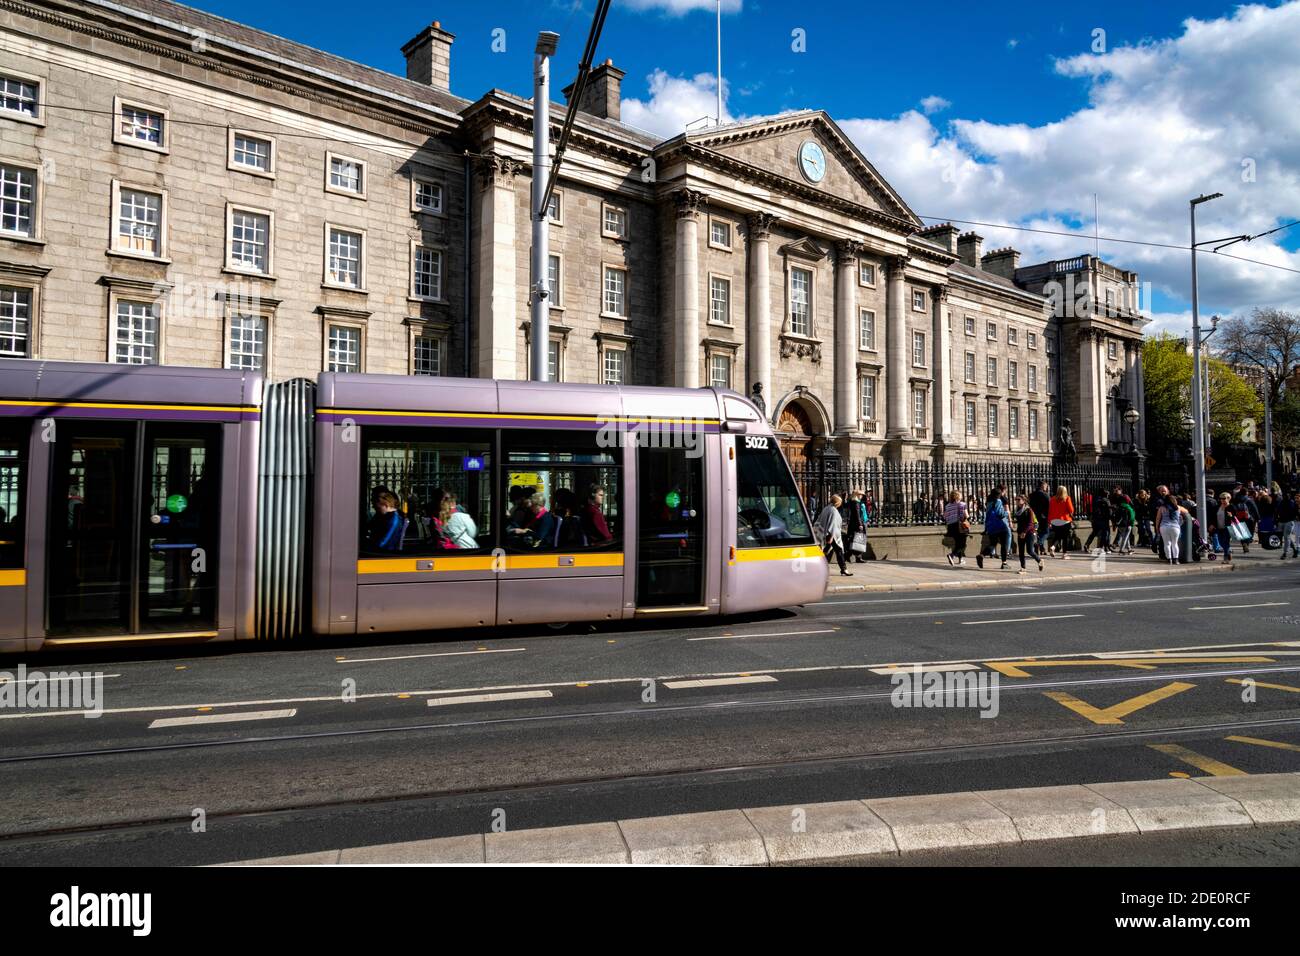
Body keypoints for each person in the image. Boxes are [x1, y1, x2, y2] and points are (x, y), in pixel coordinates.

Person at [817, 494, 851, 576]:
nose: (841, 503)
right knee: (838, 551)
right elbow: (833, 525)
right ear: (837, 502)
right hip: (832, 535)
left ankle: (821, 568)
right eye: (840, 502)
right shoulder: (833, 511)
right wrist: (831, 537)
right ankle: (843, 569)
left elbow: (820, 519)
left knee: (825, 552)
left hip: (825, 533)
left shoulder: (826, 508)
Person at [977, 488, 1009, 570]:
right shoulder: (998, 501)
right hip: (1000, 526)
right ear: (999, 494)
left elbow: (987, 516)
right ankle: (1004, 563)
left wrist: (986, 528)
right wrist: (1006, 513)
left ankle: (982, 555)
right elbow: (999, 514)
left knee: (993, 544)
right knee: (1004, 544)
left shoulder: (989, 502)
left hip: (991, 526)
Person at [1012, 493, 1043, 573]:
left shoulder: (1029, 510)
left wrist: (1024, 532)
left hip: (1029, 532)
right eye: (1016, 500)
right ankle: (1023, 568)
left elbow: (1030, 523)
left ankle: (1039, 560)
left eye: (1019, 500)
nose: (1017, 501)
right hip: (1020, 532)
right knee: (1021, 551)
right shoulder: (1017, 511)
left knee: (1030, 551)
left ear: (1024, 501)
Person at [1156, 493, 1188, 565]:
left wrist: (1157, 527)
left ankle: (1169, 559)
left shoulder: (1162, 508)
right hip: (1175, 527)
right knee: (1175, 543)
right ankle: (1176, 560)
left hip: (1164, 527)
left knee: (1167, 544)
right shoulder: (1178, 507)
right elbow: (1186, 511)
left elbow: (1158, 518)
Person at [1207, 491, 1237, 564]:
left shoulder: (1231, 507)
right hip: (1219, 527)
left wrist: (1231, 516)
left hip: (1228, 527)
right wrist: (1211, 525)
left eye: (1224, 498)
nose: (1222, 500)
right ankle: (1229, 551)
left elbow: (1236, 518)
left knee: (1225, 542)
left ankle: (1226, 558)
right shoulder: (1217, 507)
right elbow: (1214, 517)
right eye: (1221, 498)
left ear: (1228, 498)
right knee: (1221, 542)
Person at [943, 490, 969, 566]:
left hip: (951, 527)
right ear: (958, 496)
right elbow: (966, 515)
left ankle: (960, 559)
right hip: (959, 526)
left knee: (958, 543)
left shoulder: (947, 506)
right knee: (962, 544)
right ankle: (952, 555)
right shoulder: (962, 504)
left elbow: (945, 516)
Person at [1047, 486, 1075, 559]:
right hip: (1064, 520)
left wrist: (1049, 521)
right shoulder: (1067, 498)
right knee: (1065, 537)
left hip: (1054, 521)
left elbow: (1050, 510)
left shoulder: (1052, 499)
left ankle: (1053, 547)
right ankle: (1064, 554)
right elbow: (1071, 510)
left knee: (1057, 536)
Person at [845, 489, 870, 562]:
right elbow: (857, 515)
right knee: (858, 540)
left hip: (853, 524)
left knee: (855, 540)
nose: (862, 496)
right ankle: (852, 556)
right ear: (857, 495)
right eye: (860, 494)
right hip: (857, 524)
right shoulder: (856, 503)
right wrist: (860, 524)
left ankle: (854, 556)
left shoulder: (854, 502)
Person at [1029, 480, 1052, 556]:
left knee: (1039, 532)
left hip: (1034, 516)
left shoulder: (1032, 495)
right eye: (1046, 486)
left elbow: (1030, 506)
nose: (1046, 487)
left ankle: (1042, 549)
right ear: (1042, 486)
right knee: (1046, 532)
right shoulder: (1045, 495)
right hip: (1044, 516)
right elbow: (1050, 507)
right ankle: (1039, 544)